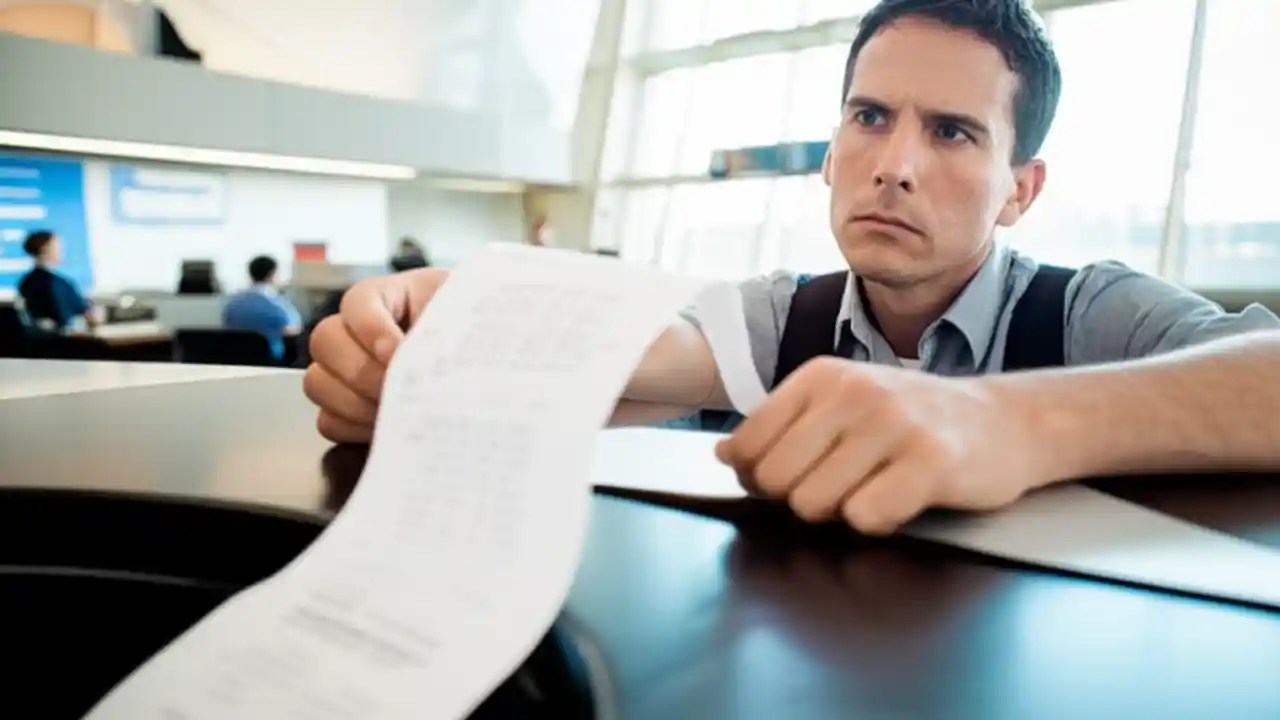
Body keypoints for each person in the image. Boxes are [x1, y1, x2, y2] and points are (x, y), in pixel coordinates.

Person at [303, 0, 1280, 537]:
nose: (893, 163)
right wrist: (441, 341)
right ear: (827, 153)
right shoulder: (787, 319)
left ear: (1017, 191)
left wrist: (1002, 421)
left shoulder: (1087, 317)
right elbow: (631, 345)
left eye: (948, 132)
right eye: (868, 118)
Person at [222, 255, 302, 361]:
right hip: (271, 359)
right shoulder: (275, 303)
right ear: (272, 274)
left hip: (236, 358)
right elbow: (294, 329)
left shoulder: (233, 304)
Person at [17, 230, 97, 331]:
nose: (61, 251)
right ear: (45, 249)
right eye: (58, 247)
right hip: (62, 340)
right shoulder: (55, 283)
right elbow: (66, 318)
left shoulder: (26, 281)